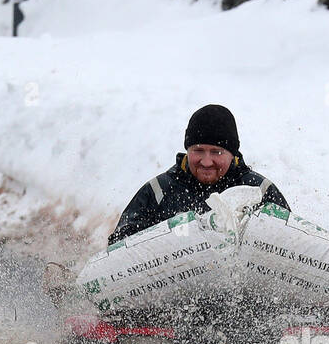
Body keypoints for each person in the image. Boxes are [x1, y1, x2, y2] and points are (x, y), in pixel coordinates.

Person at [108, 104, 290, 244]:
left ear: (232, 153)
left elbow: (291, 240)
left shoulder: (259, 190)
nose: (206, 161)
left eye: (216, 152)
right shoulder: (158, 191)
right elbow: (119, 244)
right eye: (198, 150)